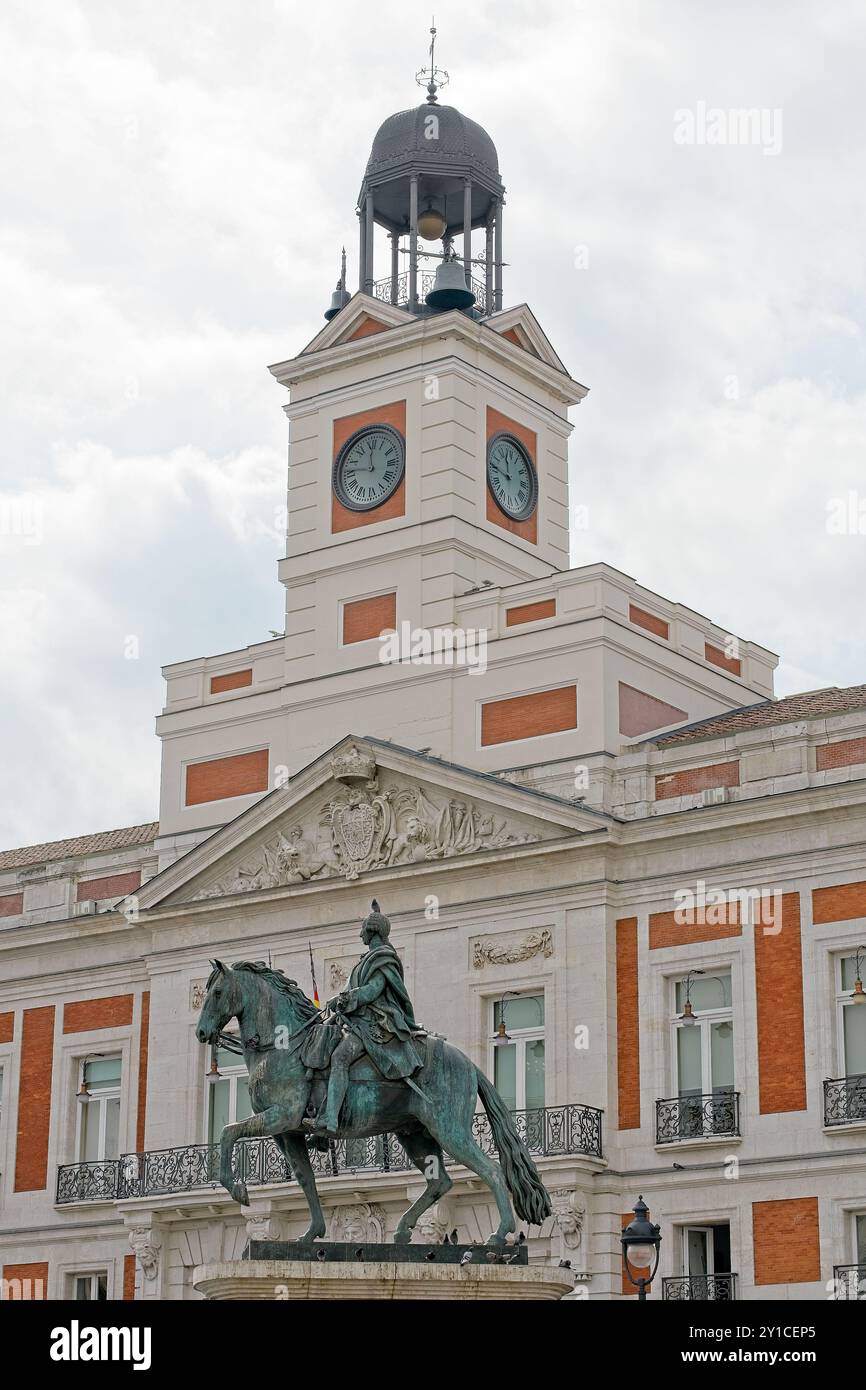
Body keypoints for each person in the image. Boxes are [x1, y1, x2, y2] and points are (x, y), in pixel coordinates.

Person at [304, 901, 424, 1136]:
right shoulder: (367, 959)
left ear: (372, 931)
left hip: (374, 1022)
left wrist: (349, 998)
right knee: (322, 1049)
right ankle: (317, 1115)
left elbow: (373, 989)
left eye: (363, 929)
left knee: (339, 1057)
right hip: (355, 1020)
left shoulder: (383, 958)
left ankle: (331, 1118)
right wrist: (336, 1000)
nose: (360, 934)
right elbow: (352, 990)